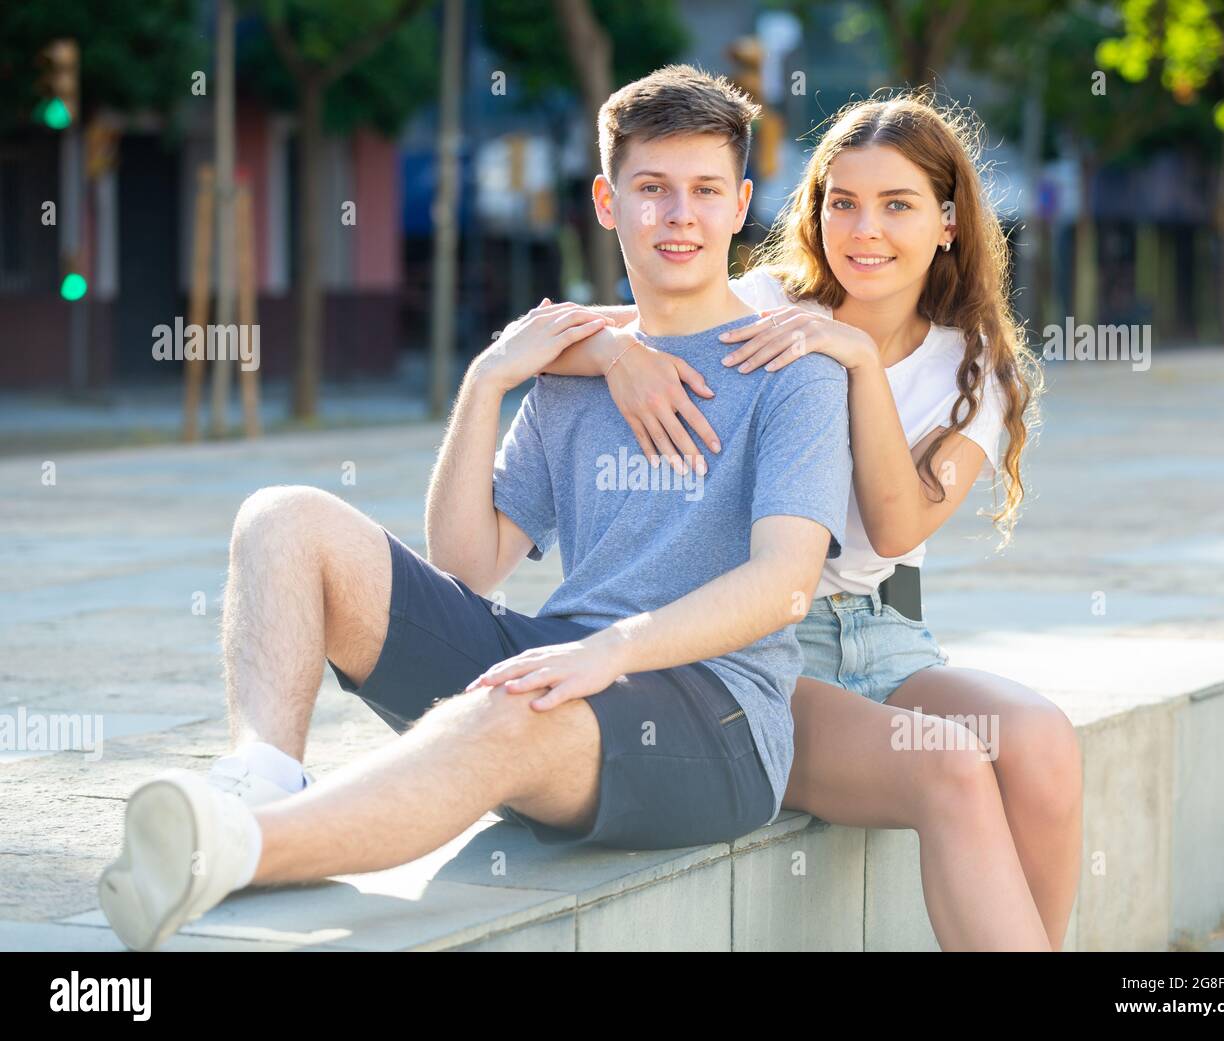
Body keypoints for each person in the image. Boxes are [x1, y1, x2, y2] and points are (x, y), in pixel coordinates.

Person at [96, 64, 853, 952]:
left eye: (703, 191)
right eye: (652, 190)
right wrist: (491, 376)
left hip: (714, 720)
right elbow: (466, 563)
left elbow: (786, 586)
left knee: (507, 708)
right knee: (282, 516)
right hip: (562, 660)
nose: (677, 215)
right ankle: (263, 777)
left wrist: (611, 650)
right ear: (608, 202)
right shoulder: (575, 373)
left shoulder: (793, 369)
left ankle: (231, 852)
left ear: (740, 205)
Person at [546, 90, 1081, 951]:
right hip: (764, 644)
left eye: (897, 205)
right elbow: (560, 337)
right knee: (948, 766)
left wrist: (859, 360)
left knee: (1043, 741)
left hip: (883, 635)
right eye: (843, 202)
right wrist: (615, 352)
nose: (865, 229)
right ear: (815, 210)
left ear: (948, 222)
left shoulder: (975, 368)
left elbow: (897, 528)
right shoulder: (759, 302)